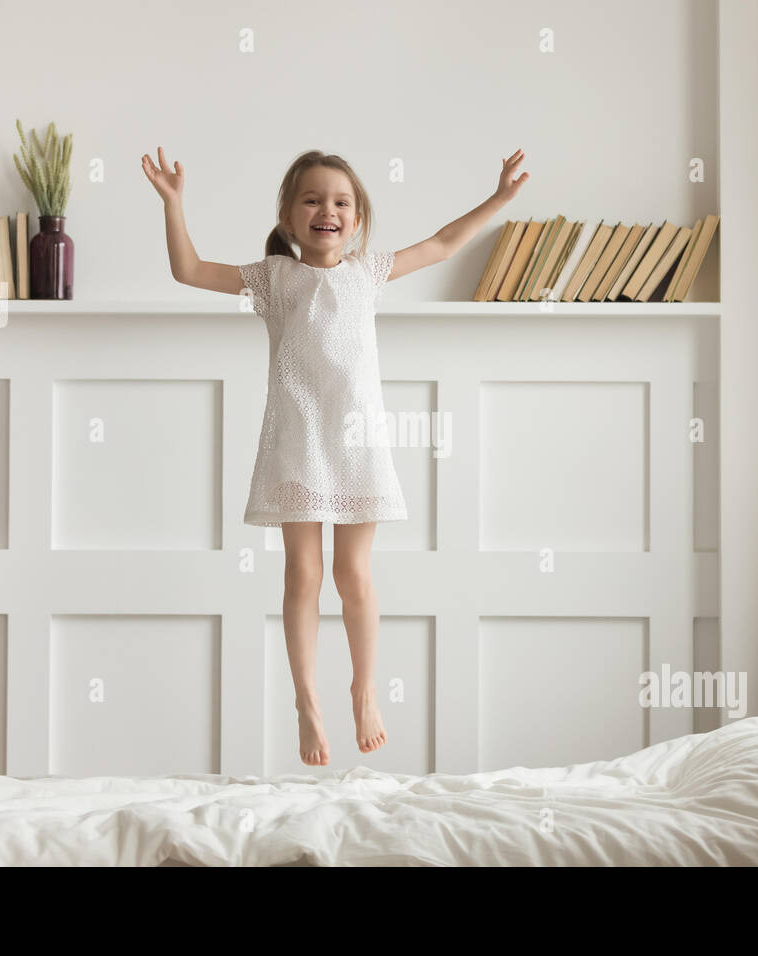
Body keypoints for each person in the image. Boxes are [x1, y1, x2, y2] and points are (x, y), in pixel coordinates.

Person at [142, 146, 528, 765]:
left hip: (358, 443)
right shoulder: (272, 278)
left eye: (342, 202)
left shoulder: (368, 272)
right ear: (290, 217)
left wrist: (501, 198)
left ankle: (364, 689)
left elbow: (444, 242)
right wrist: (173, 203)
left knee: (355, 576)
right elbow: (188, 269)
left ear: (359, 218)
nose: (328, 210)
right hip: (296, 443)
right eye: (313, 199)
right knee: (303, 575)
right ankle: (306, 701)